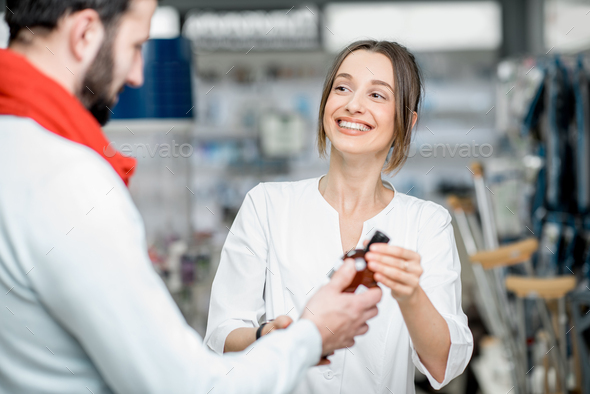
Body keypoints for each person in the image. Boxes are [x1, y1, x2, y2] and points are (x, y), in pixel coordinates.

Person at [0, 1, 383, 393]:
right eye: (135, 47)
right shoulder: (69, 183)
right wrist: (313, 335)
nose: (136, 76)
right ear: (84, 35)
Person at [205, 40, 474, 393]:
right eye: (342, 87)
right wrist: (263, 335)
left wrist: (411, 296)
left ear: (407, 122)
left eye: (377, 95)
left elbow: (443, 365)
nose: (353, 105)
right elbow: (222, 332)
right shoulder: (267, 204)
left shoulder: (428, 223)